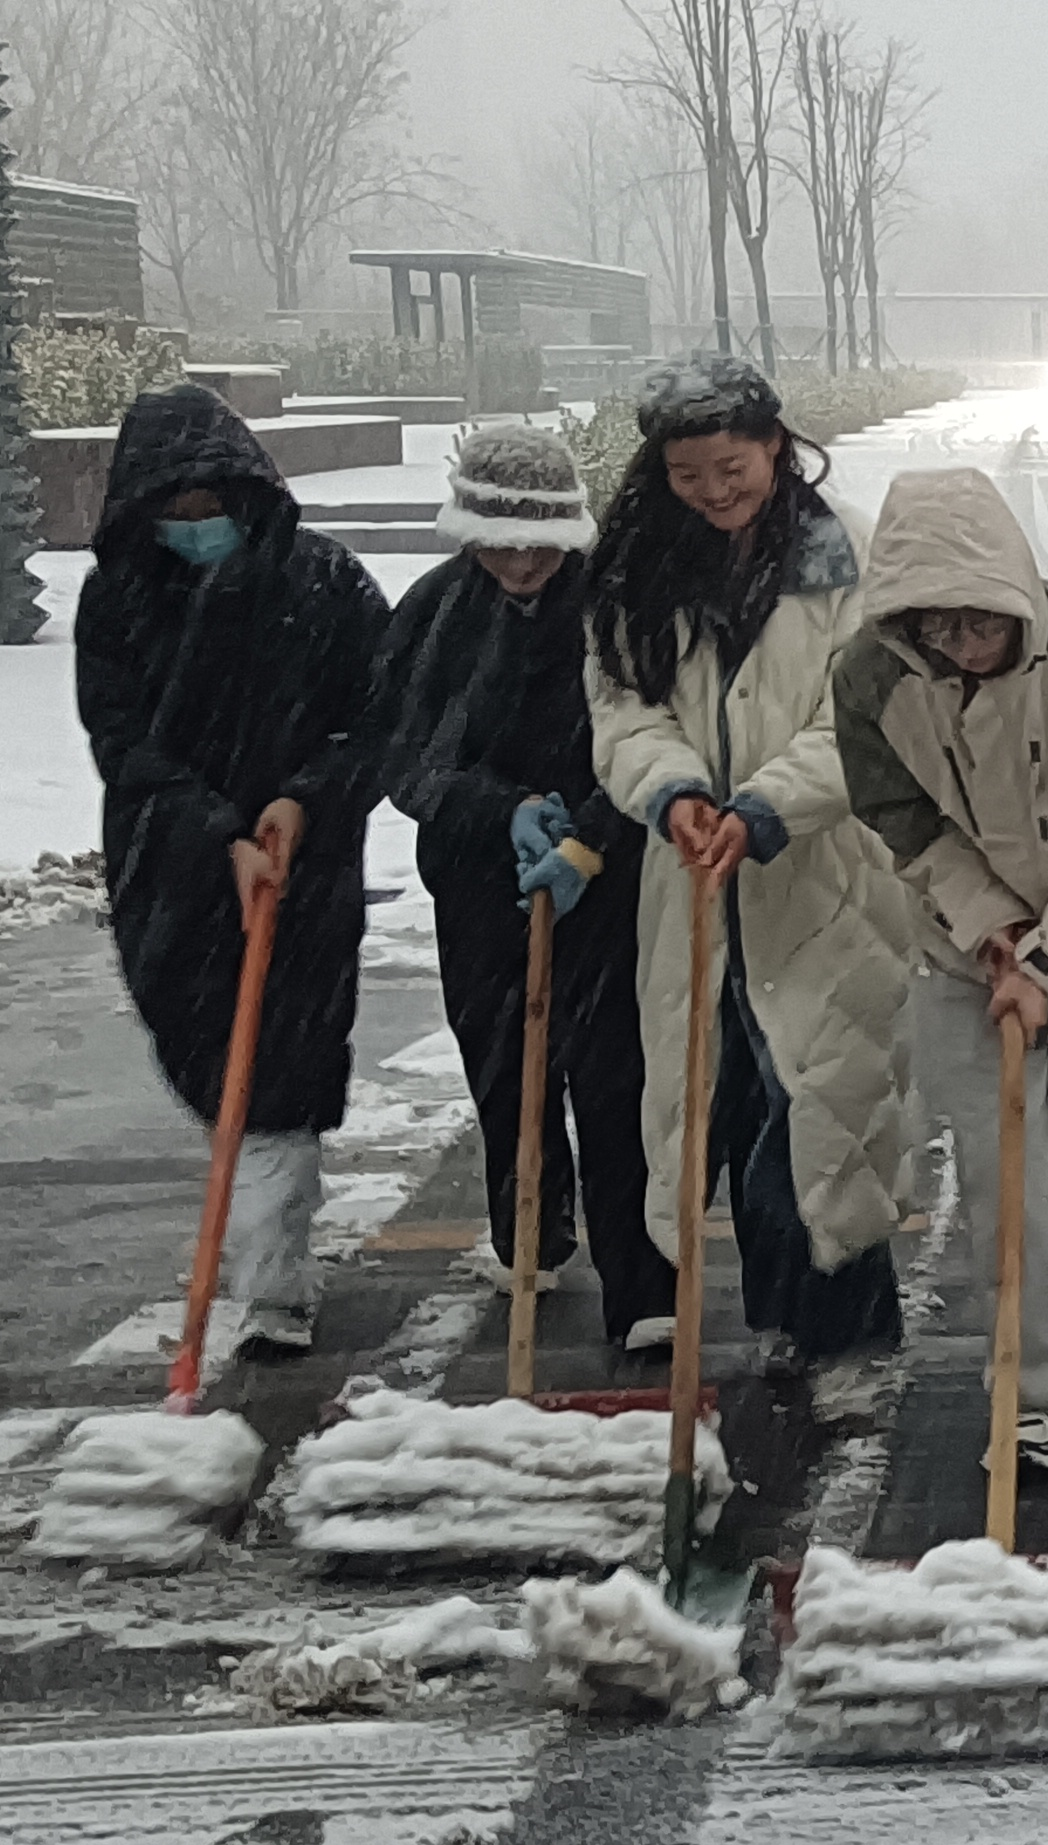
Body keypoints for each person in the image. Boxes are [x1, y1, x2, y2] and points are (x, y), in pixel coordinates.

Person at [839, 466, 1048, 1472]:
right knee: (1006, 1187)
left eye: (980, 620)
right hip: (964, 959)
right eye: (936, 628)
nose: (963, 644)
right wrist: (992, 931)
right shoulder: (868, 679)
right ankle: (1034, 1387)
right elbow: (903, 822)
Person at [587, 354, 918, 1374]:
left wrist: (770, 804)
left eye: (731, 467)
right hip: (693, 879)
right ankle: (789, 1322)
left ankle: (848, 1330)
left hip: (825, 876)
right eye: (688, 474)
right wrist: (674, 790)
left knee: (824, 1103)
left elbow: (868, 715)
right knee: (720, 1101)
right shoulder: (637, 569)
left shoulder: (847, 557)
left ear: (777, 445)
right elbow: (621, 709)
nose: (713, 491)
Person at [79, 382, 389, 1360]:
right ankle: (263, 1227)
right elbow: (121, 738)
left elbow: (378, 718)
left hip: (306, 866)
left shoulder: (324, 583)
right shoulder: (121, 595)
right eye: (172, 508)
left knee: (284, 1070)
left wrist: (305, 797)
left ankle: (273, 1282)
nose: (194, 523)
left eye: (208, 503)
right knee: (209, 1057)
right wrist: (216, 830)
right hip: (170, 863)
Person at [376, 424, 676, 1353]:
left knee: (616, 1078)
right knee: (506, 1068)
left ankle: (642, 1283)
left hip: (605, 879)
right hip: (478, 883)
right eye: (499, 542)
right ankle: (530, 1235)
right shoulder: (435, 613)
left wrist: (589, 832)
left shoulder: (614, 609)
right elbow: (404, 755)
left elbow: (653, 738)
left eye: (538, 542)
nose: (519, 562)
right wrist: (495, 809)